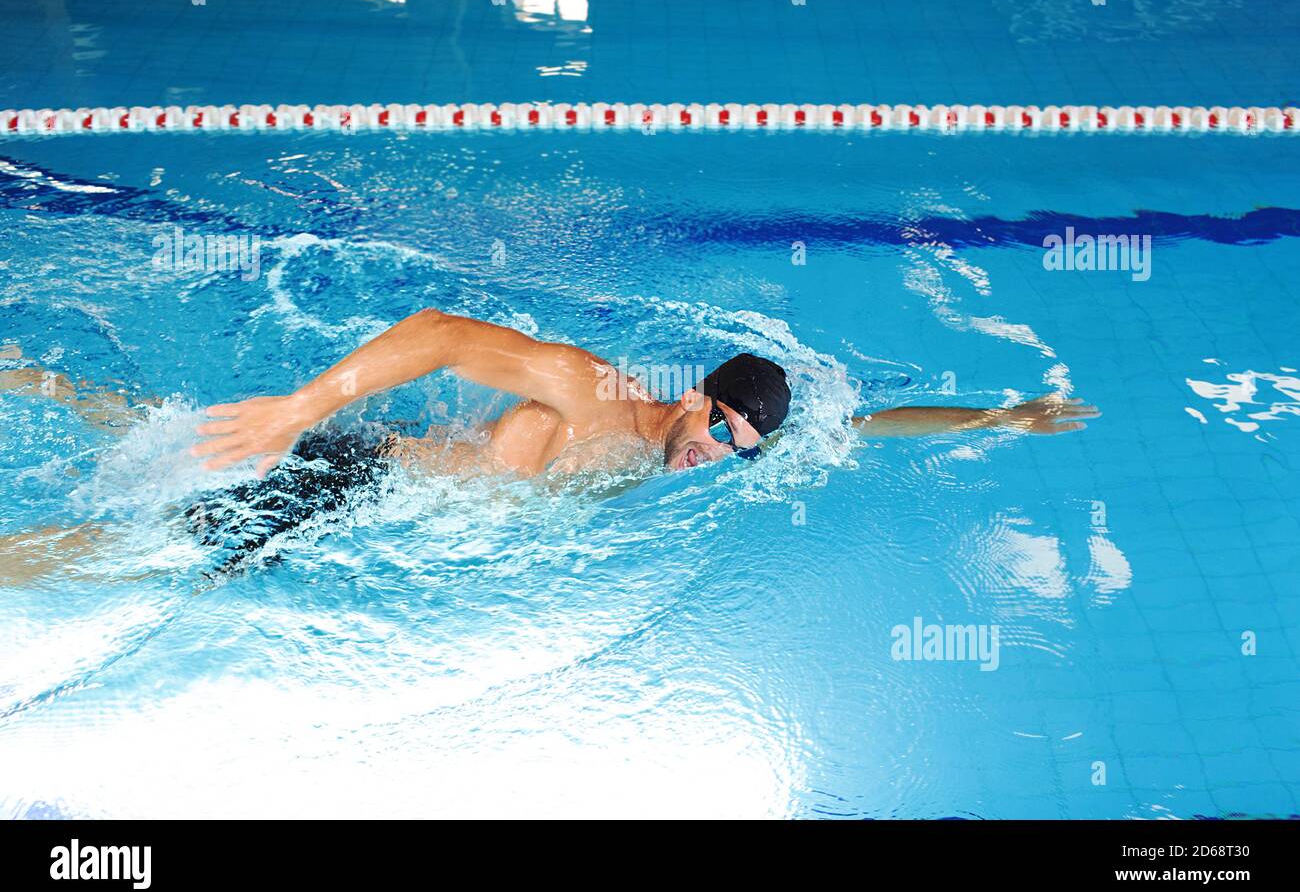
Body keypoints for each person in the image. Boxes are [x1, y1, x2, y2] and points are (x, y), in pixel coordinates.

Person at [1, 309, 1099, 577]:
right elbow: (435, 335)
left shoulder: (719, 439)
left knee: (171, 441)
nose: (713, 455)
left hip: (400, 486)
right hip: (355, 483)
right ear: (697, 393)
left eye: (738, 450)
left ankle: (34, 379)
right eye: (716, 427)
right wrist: (298, 405)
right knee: (125, 549)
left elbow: (854, 428)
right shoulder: (585, 390)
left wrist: (999, 417)